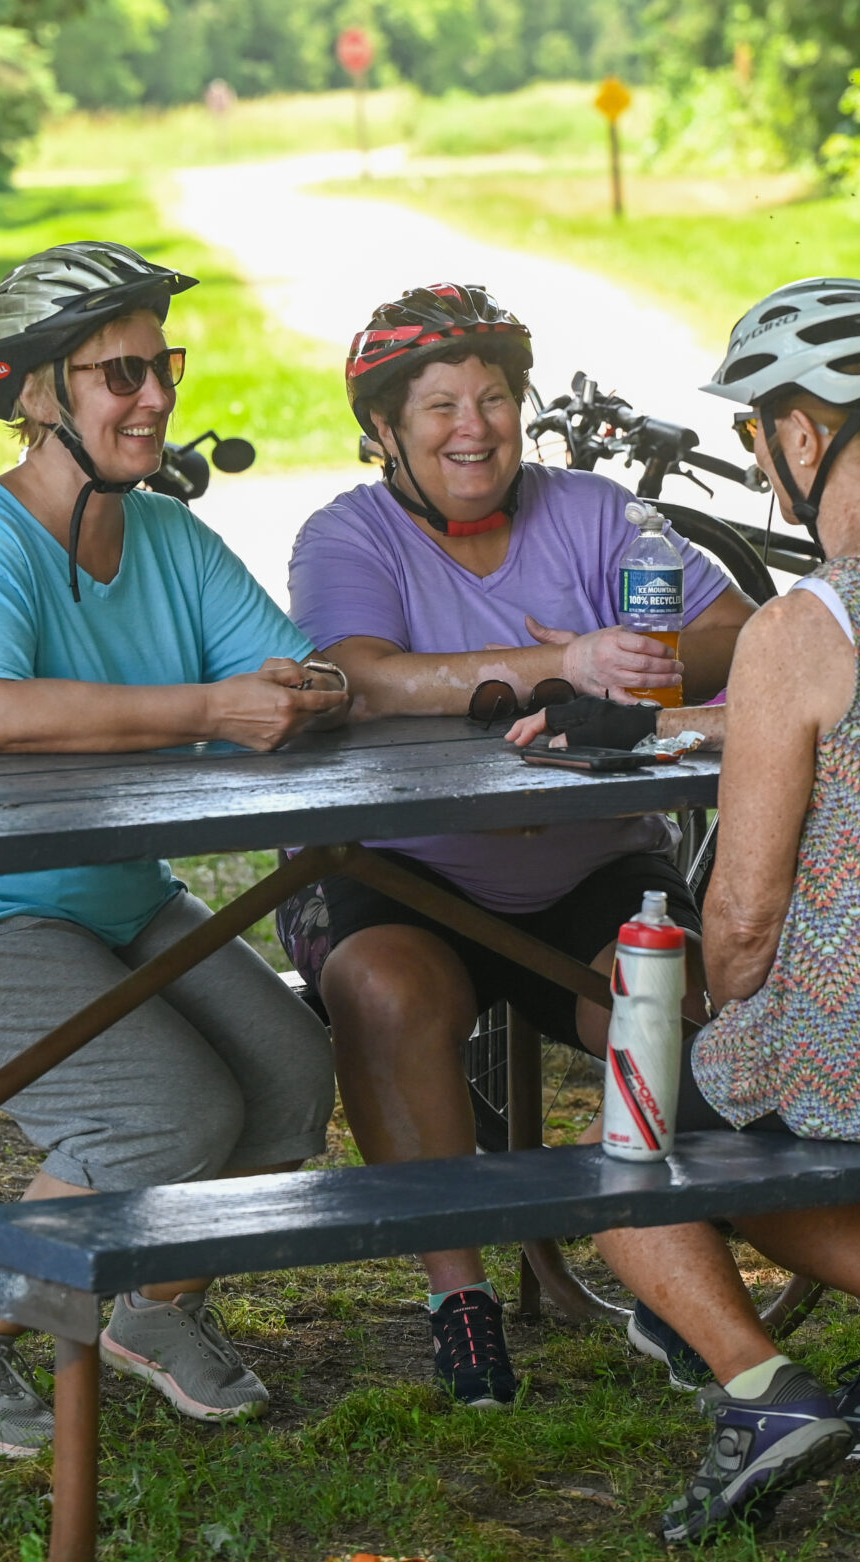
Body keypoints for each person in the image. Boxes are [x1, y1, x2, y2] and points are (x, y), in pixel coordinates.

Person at [509, 276, 860, 1543]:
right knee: (730, 1105)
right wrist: (662, 720)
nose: (756, 457)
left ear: (804, 436)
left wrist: (716, 1006)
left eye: (754, 431)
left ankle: (766, 1389)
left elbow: (747, 914)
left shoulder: (798, 623)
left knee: (639, 1141)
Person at [0, 242, 346, 1459]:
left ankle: (153, 1314)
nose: (156, 397)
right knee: (160, 1116)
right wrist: (213, 710)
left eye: (161, 366)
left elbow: (289, 663)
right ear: (34, 395)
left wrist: (301, 689)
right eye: (120, 373)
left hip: (113, 895)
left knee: (284, 1073)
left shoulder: (164, 533)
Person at [285, 284, 755, 1409]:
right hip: (405, 873)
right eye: (439, 402)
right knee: (390, 993)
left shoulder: (597, 513)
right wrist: (566, 666)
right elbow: (363, 679)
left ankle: (674, 1281)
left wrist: (654, 672)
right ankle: (460, 1293)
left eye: (496, 397)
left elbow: (736, 630)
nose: (474, 426)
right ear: (384, 428)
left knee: (678, 1010)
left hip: (589, 868)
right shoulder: (345, 534)